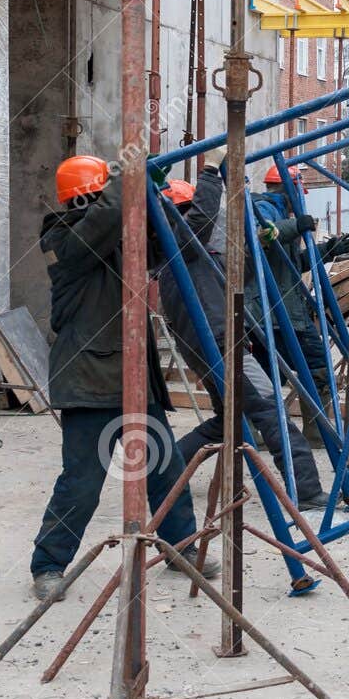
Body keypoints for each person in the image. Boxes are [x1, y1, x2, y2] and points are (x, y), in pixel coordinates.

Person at [31, 156, 216, 601]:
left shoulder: (120, 240)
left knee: (165, 469)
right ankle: (48, 564)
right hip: (89, 380)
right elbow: (106, 218)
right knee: (82, 481)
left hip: (134, 375)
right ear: (92, 195)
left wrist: (181, 191)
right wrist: (128, 175)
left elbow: (184, 243)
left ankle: (180, 547)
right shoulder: (64, 237)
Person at [154, 163, 329, 508]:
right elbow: (201, 218)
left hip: (216, 343)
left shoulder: (190, 258)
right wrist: (210, 171)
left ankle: (163, 472)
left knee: (229, 422)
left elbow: (242, 275)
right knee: (271, 410)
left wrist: (249, 246)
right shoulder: (180, 247)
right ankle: (307, 490)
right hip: (220, 345)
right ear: (178, 216)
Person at [252, 165, 333, 445]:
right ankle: (317, 432)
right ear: (288, 190)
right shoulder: (263, 209)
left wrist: (326, 251)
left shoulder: (277, 212)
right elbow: (260, 238)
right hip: (279, 312)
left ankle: (256, 432)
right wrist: (295, 225)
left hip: (271, 310)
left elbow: (290, 265)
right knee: (317, 364)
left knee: (265, 373)